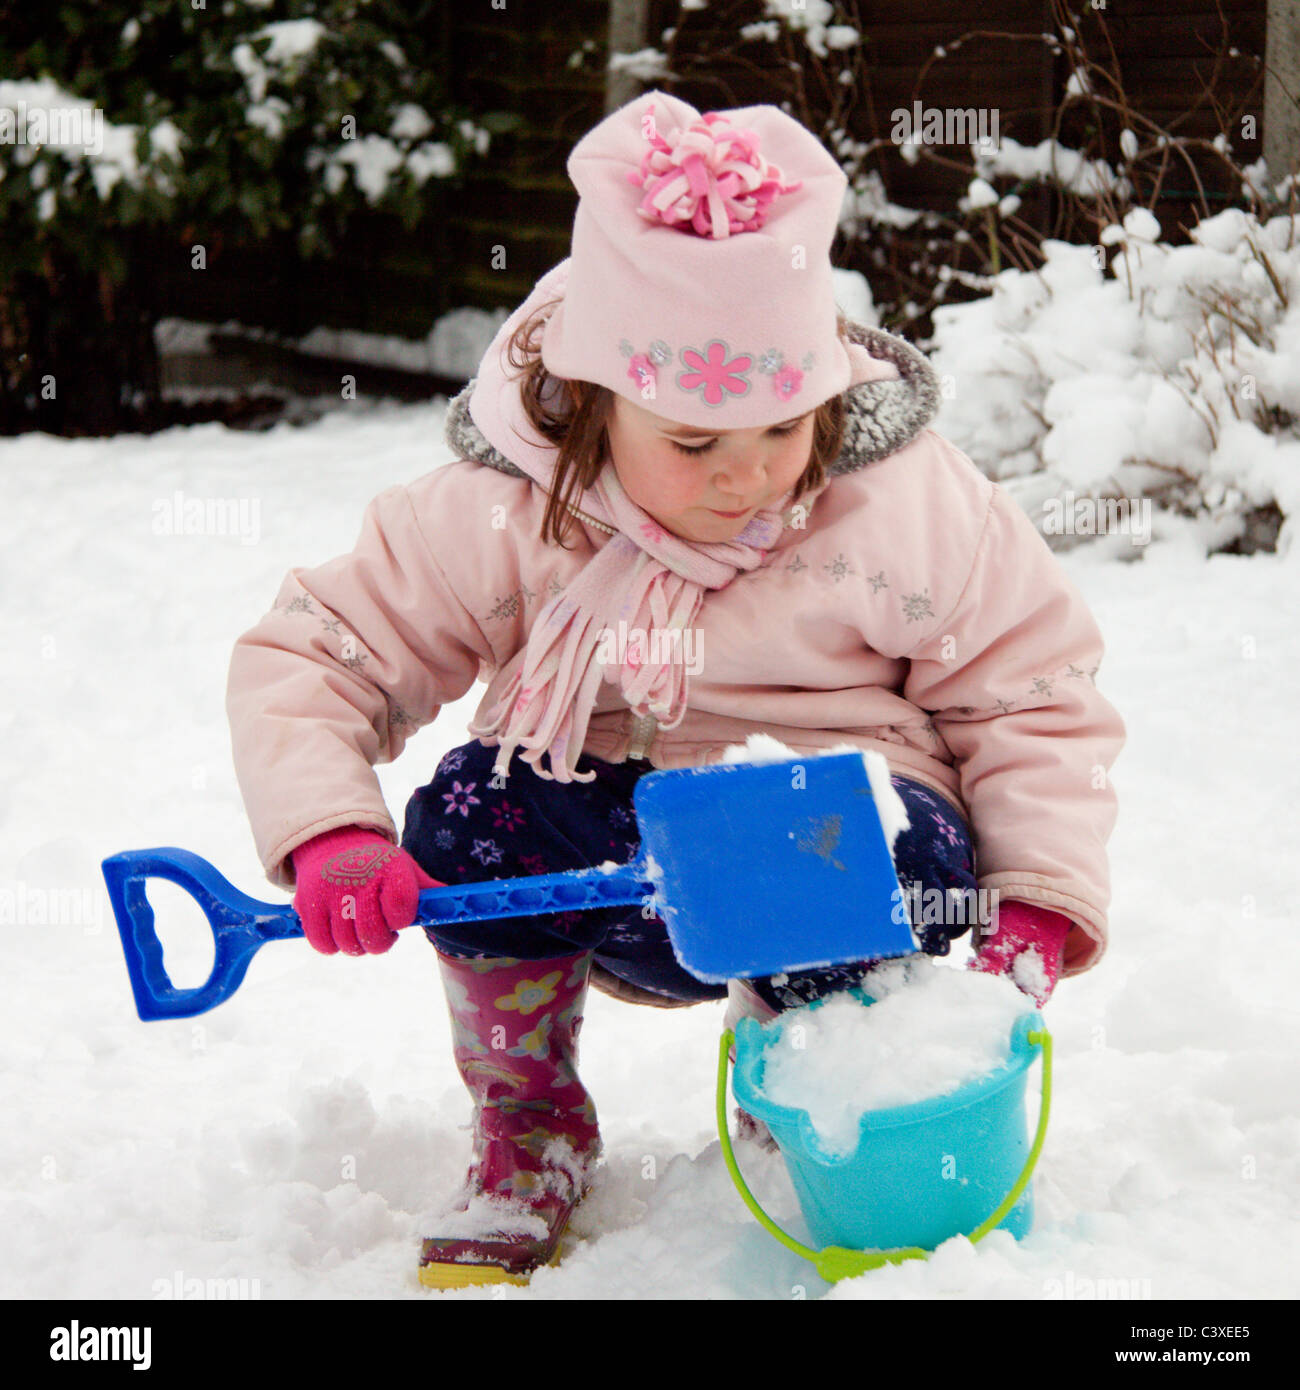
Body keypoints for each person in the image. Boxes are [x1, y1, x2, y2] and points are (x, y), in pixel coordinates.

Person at [226, 91, 1126, 1289]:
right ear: (595, 404)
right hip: (596, 846)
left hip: (834, 837)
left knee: (860, 837)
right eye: (693, 443)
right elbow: (318, 648)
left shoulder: (907, 504)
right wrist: (331, 828)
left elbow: (1028, 690)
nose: (747, 476)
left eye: (783, 427)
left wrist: (1040, 888)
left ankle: (814, 1102)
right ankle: (527, 1126)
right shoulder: (507, 510)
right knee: (465, 817)